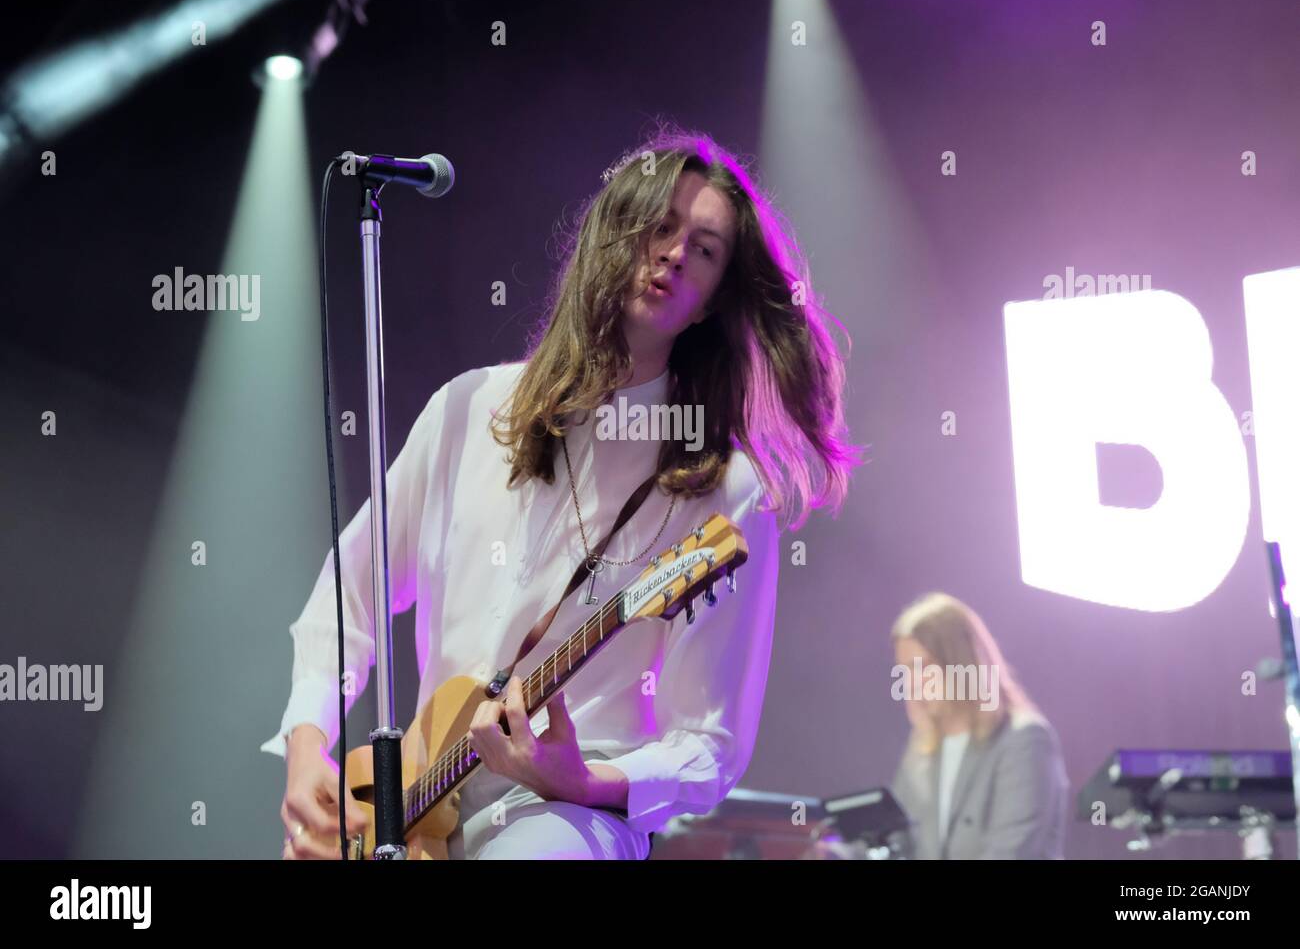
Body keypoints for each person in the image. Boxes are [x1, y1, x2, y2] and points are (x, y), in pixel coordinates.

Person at [262, 125, 861, 859]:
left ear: (710, 302)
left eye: (704, 250)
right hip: (415, 806)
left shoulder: (726, 489)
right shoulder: (471, 409)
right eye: (660, 226)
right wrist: (306, 744)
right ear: (612, 236)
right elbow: (346, 592)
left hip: (566, 816)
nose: (674, 252)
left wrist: (585, 781)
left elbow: (708, 742)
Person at [888, 592, 1069, 859]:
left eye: (923, 666)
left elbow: (1011, 852)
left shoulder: (1024, 741)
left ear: (960, 662)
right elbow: (895, 842)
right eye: (905, 671)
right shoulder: (922, 750)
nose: (911, 683)